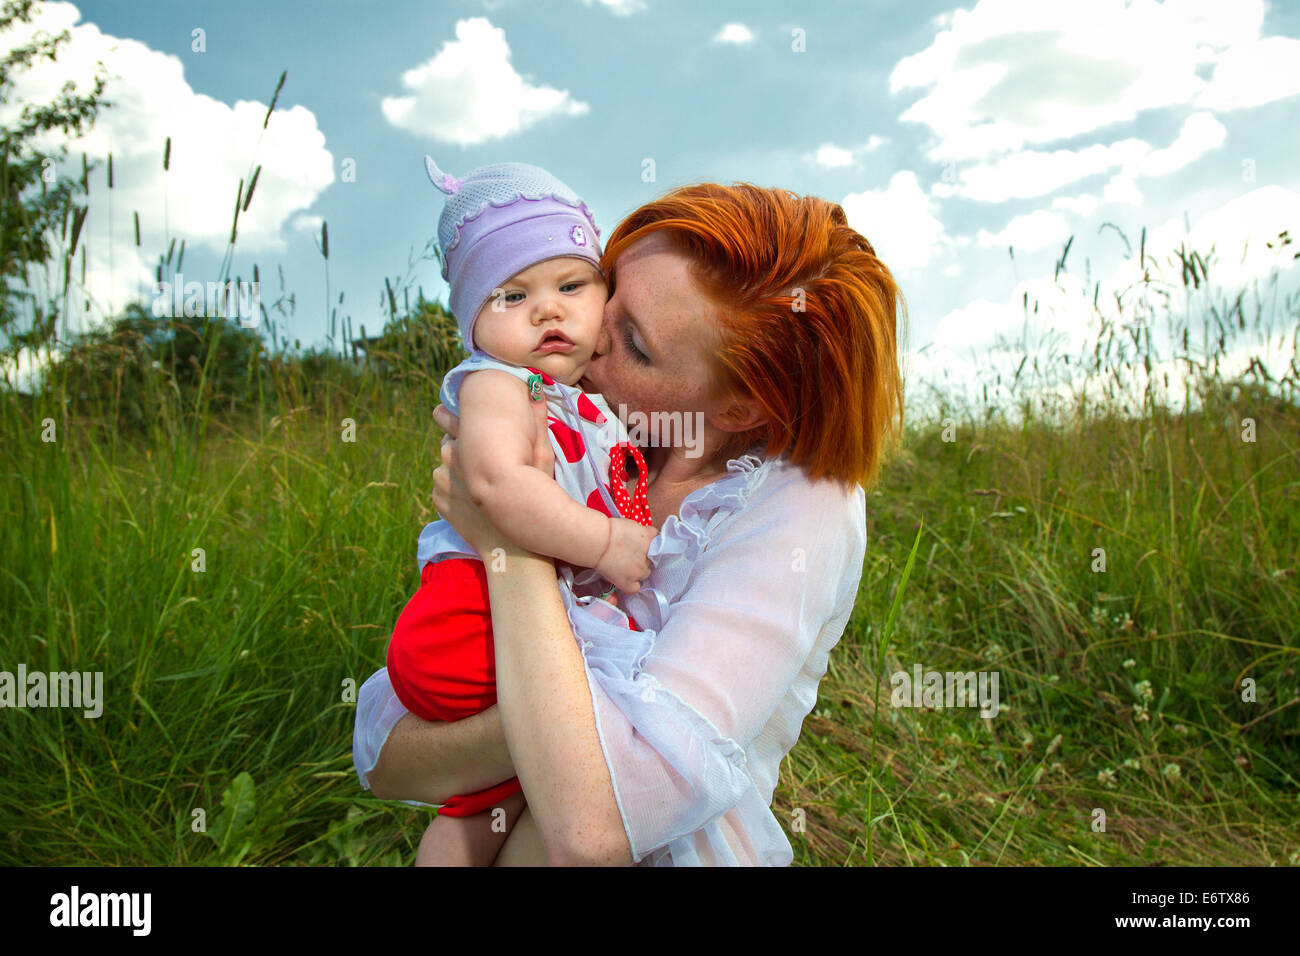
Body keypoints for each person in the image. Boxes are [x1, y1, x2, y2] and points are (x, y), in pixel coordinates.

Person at [353, 179, 906, 866]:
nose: (575, 335)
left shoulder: (799, 507)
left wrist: (510, 540)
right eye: (602, 284)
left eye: (636, 345)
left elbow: (592, 829)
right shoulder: (584, 427)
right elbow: (388, 754)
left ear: (740, 409)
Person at [380, 159, 659, 866]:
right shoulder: (497, 383)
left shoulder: (583, 400)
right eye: (510, 295)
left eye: (572, 285)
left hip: (522, 613)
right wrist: (605, 542)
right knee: (534, 763)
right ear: (473, 322)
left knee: (500, 795)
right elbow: (496, 483)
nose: (548, 310)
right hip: (472, 616)